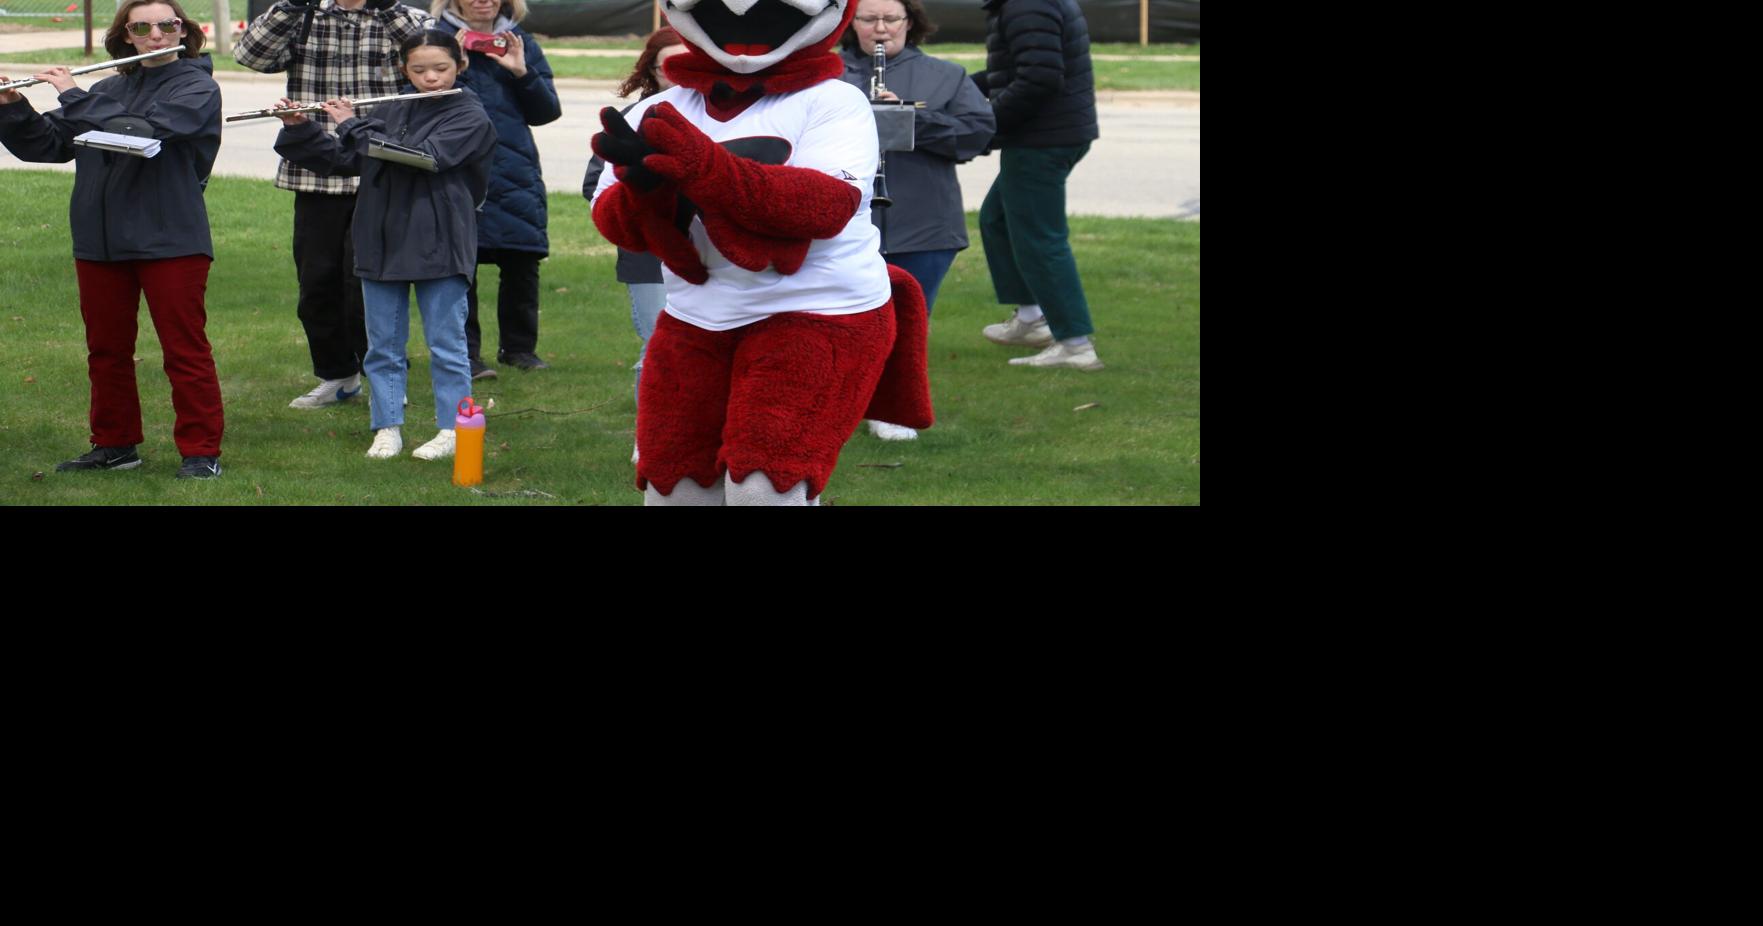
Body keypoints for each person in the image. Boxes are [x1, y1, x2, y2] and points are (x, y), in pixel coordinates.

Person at [589, 0, 932, 506]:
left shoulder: (834, 101)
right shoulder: (653, 111)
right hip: (695, 319)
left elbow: (824, 207)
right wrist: (646, 188)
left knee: (762, 488)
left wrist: (705, 167)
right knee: (675, 488)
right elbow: (618, 226)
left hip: (820, 313)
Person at [0, 0, 226, 479]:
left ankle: (201, 452)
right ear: (127, 35)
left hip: (170, 239)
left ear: (183, 30)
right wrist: (14, 107)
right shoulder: (108, 86)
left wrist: (74, 95)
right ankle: (115, 444)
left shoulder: (197, 87)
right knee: (106, 350)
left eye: (168, 25)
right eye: (143, 27)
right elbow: (47, 145)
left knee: (184, 350)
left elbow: (144, 132)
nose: (157, 35)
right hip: (100, 239)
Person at [273, 30, 497, 461]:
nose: (430, 78)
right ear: (403, 69)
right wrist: (299, 128)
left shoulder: (470, 115)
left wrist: (352, 124)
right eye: (418, 70)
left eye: (440, 69)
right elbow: (345, 160)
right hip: (379, 238)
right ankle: (387, 428)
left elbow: (423, 158)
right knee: (382, 346)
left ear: (460, 66)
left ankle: (453, 429)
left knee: (447, 344)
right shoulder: (393, 108)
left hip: (439, 240)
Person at [235, 0, 433, 408]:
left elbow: (428, 53)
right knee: (317, 288)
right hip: (315, 174)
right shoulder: (303, 14)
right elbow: (248, 55)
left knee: (370, 288)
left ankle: (386, 377)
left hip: (380, 172)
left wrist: (387, 10)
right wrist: (292, 6)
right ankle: (337, 376)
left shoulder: (399, 15)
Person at [839, 0, 993, 439]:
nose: (881, 29)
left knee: (908, 321)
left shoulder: (945, 76)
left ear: (911, 24)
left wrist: (911, 120)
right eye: (869, 20)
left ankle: (890, 409)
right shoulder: (828, 77)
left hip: (924, 220)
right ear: (852, 24)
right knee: (841, 319)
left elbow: (977, 135)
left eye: (892, 20)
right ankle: (841, 403)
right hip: (845, 219)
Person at [429, 0, 560, 378]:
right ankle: (466, 355)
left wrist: (522, 72)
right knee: (459, 268)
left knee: (522, 261)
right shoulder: (438, 42)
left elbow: (547, 112)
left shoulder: (521, 42)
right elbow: (425, 101)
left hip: (514, 169)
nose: (481, 0)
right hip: (458, 170)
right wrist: (458, 70)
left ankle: (519, 349)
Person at [974, 0, 1103, 371]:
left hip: (1042, 140)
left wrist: (986, 123)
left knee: (1039, 239)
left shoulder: (1026, 4)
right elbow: (1015, 68)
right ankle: (1031, 320)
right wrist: (954, 86)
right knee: (996, 219)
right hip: (1049, 135)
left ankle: (1075, 344)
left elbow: (1040, 78)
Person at [581, 25, 687, 462]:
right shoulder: (632, 120)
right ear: (652, 73)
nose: (678, 80)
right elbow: (595, 185)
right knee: (660, 344)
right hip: (649, 253)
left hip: (710, 252)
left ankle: (700, 434)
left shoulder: (726, 113)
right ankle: (651, 438)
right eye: (668, 71)